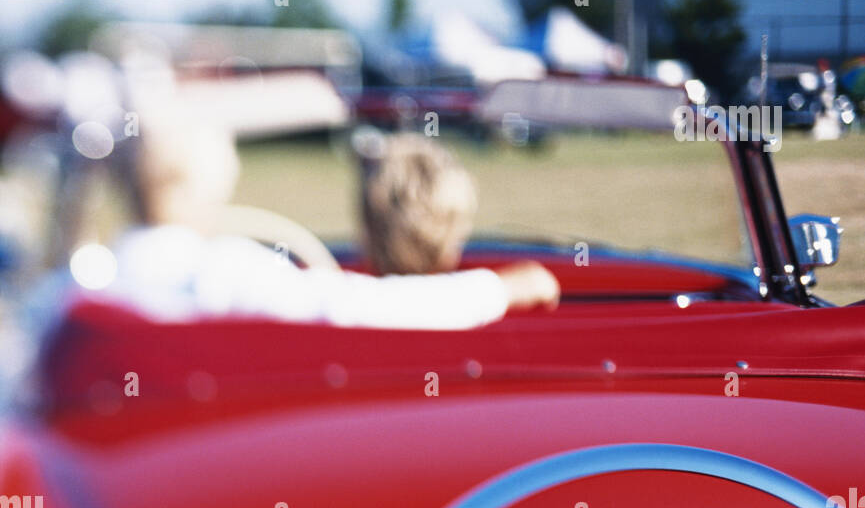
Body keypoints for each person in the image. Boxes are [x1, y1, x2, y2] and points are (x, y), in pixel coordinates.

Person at [93, 115, 559, 330]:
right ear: (210, 187)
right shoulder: (229, 274)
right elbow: (370, 307)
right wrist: (503, 290)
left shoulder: (84, 283)